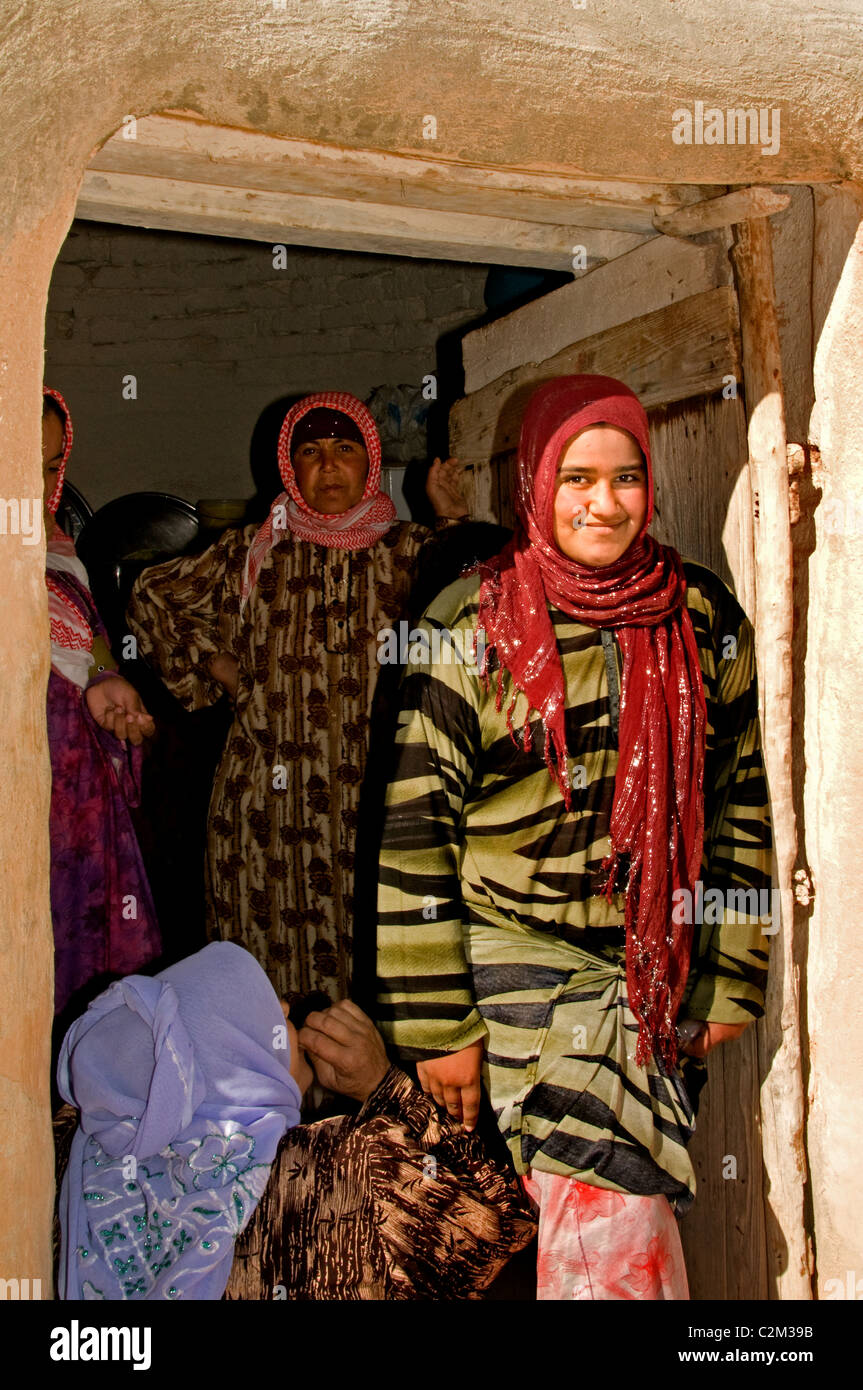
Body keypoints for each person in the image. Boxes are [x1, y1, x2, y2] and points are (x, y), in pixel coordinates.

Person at [376, 374, 772, 1301]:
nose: (603, 503)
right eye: (576, 479)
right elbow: (413, 833)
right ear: (536, 483)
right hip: (515, 974)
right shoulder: (471, 624)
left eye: (624, 477)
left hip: (653, 978)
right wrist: (437, 1026)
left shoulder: (699, 617)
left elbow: (739, 801)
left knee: (590, 1238)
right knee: (606, 1232)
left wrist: (728, 968)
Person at [127, 391, 468, 1004]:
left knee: (375, 972)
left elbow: (482, 605)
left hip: (374, 802)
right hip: (264, 808)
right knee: (263, 986)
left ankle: (371, 1098)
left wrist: (452, 520)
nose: (330, 465)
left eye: (345, 449)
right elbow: (151, 595)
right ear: (290, 467)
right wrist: (220, 667)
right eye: (311, 452)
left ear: (370, 463)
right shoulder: (250, 553)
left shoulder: (411, 551)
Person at [53, 948, 535, 1301]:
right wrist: (383, 1084)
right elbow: (500, 1226)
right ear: (226, 1053)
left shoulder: (91, 1154)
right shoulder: (351, 1165)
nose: (285, 1009)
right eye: (258, 1008)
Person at [56, 941, 304, 1300]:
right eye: (267, 1014)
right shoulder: (304, 1162)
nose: (283, 1008)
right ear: (227, 1050)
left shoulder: (99, 1143)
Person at [42, 388, 161, 1022]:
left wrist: (103, 680)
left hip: (75, 817)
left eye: (47, 467)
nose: (33, 488)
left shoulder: (58, 555)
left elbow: (86, 649)